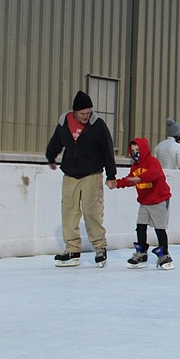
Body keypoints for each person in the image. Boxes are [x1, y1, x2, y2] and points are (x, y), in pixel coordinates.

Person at [45, 90, 117, 267]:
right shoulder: (64, 122)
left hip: (92, 174)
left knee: (92, 211)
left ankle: (100, 247)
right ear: (75, 112)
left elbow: (108, 150)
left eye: (88, 112)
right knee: (69, 211)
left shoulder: (98, 125)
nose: (86, 116)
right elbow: (56, 142)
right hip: (70, 174)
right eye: (82, 113)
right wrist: (51, 157)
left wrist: (111, 175)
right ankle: (72, 249)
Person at [114, 137, 174, 270]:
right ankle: (141, 253)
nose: (135, 153)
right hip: (144, 201)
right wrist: (117, 183)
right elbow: (130, 180)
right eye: (133, 150)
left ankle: (164, 254)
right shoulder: (135, 167)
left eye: (138, 150)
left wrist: (139, 178)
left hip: (158, 199)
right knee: (140, 226)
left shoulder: (153, 162)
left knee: (159, 228)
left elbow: (153, 174)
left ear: (144, 150)